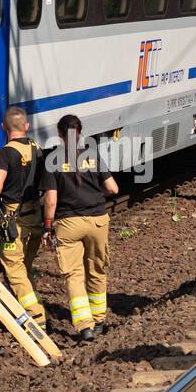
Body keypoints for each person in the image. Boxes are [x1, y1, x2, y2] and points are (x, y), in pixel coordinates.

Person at [41, 115, 119, 342]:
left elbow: (51, 201)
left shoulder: (52, 159)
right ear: (81, 131)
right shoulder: (93, 155)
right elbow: (113, 188)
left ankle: (85, 327)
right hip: (97, 221)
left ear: (59, 133)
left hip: (68, 224)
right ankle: (99, 320)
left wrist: (47, 227)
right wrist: (93, 195)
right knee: (97, 270)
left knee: (73, 275)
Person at [0, 107, 47, 326]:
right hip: (35, 216)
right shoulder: (36, 148)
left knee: (13, 265)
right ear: (26, 126)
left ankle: (35, 315)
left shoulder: (5, 153)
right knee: (25, 267)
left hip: (14, 219)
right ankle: (27, 305)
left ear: (3, 127)